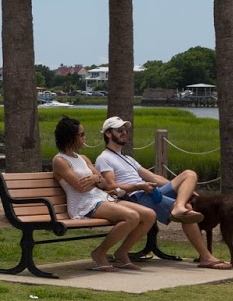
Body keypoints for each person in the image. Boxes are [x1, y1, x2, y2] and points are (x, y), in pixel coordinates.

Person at [95, 116, 232, 269]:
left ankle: (179, 205)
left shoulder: (127, 158)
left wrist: (184, 189)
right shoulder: (104, 158)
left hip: (149, 191)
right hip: (136, 197)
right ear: (108, 133)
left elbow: (153, 177)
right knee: (187, 212)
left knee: (189, 174)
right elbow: (111, 186)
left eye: (125, 130)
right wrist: (139, 186)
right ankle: (206, 257)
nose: (124, 133)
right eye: (119, 130)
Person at [51, 115, 156, 271]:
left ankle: (122, 252)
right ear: (70, 137)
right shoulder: (60, 161)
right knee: (131, 216)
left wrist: (95, 179)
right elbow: (80, 187)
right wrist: (96, 180)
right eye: (81, 134)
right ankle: (99, 253)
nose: (84, 137)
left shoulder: (83, 158)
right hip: (84, 204)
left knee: (149, 215)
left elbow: (104, 183)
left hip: (101, 197)